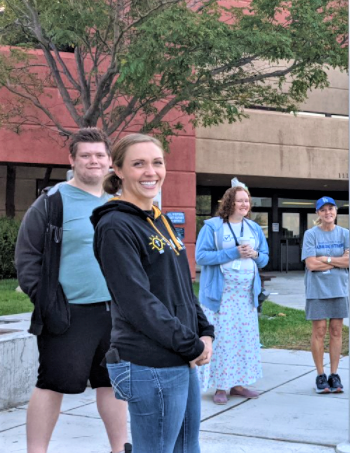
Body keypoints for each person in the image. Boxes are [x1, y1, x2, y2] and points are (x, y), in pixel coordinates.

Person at [91, 134, 214, 453]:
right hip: (149, 364)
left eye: (157, 162)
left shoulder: (160, 221)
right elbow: (137, 302)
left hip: (180, 357)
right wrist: (190, 345)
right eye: (138, 163)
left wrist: (205, 331)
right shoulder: (116, 226)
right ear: (117, 169)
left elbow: (182, 287)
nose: (151, 171)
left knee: (187, 447)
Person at [15, 128, 130, 453]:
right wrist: (49, 303)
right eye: (86, 155)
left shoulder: (118, 204)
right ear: (72, 160)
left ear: (110, 161)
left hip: (116, 315)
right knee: (52, 385)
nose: (93, 161)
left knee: (112, 385)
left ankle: (119, 448)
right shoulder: (52, 202)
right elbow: (27, 259)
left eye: (100, 155)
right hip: (68, 315)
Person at [196, 184, 269, 404]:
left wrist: (254, 254)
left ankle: (238, 384)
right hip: (221, 297)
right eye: (240, 200)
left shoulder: (253, 228)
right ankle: (220, 386)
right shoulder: (212, 227)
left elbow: (265, 258)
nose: (245, 204)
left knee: (243, 340)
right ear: (229, 202)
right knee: (222, 340)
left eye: (247, 200)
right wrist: (233, 252)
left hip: (246, 297)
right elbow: (201, 256)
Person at [301, 196, 350, 393]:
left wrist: (327, 259)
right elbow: (311, 264)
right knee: (319, 330)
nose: (328, 213)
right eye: (323, 210)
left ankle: (334, 374)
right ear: (318, 214)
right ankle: (321, 375)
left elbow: (349, 262)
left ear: (336, 212)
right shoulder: (311, 235)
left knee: (336, 330)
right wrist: (337, 260)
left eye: (331, 209)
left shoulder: (345, 233)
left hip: (339, 288)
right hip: (317, 289)